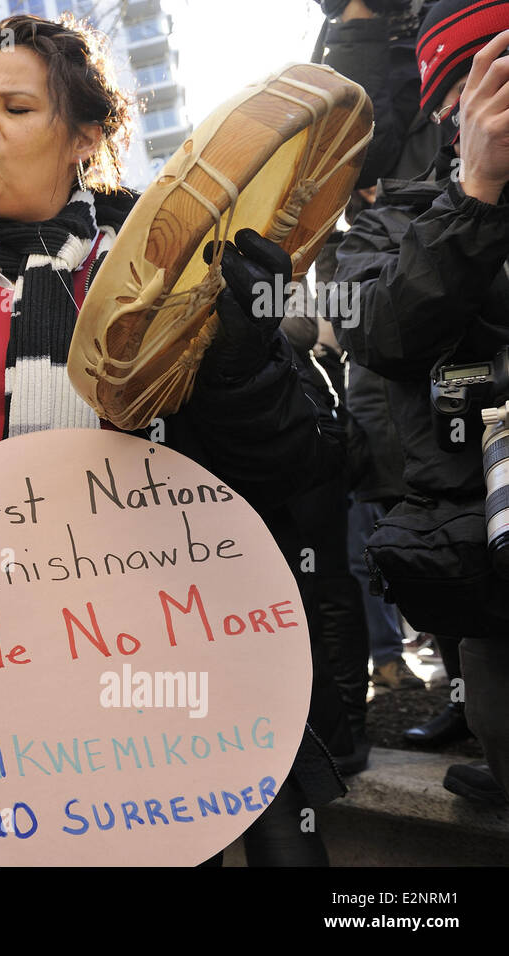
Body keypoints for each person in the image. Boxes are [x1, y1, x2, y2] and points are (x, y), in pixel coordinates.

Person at [0, 14, 346, 865]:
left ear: (85, 135)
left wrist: (238, 360)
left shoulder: (175, 261)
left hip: (148, 659)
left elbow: (304, 462)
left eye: (15, 106)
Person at [333, 0, 509, 806]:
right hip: (472, 522)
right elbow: (384, 330)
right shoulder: (389, 222)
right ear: (448, 109)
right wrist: (478, 195)